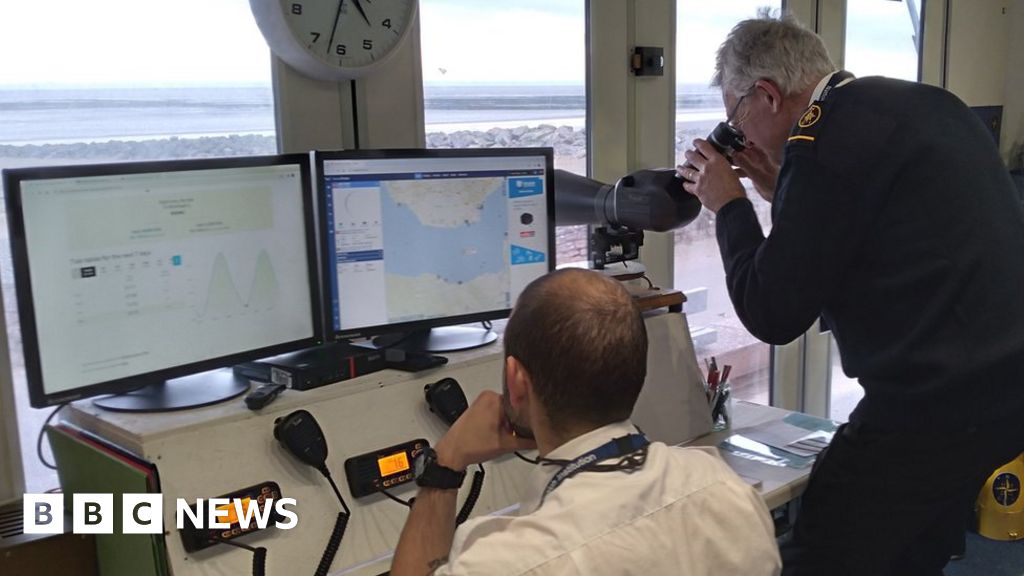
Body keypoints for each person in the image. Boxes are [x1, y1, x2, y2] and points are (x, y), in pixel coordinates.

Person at [679, 13, 1024, 576]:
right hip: (1004, 386)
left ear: (765, 95)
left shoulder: (821, 145)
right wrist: (781, 186)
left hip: (931, 405)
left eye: (736, 119)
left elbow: (772, 311)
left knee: (824, 543)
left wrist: (729, 206)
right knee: (911, 546)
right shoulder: (923, 104)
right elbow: (855, 239)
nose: (740, 136)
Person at [390, 268, 781, 576]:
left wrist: (447, 463)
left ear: (517, 382)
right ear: (636, 370)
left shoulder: (506, 560)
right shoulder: (729, 491)